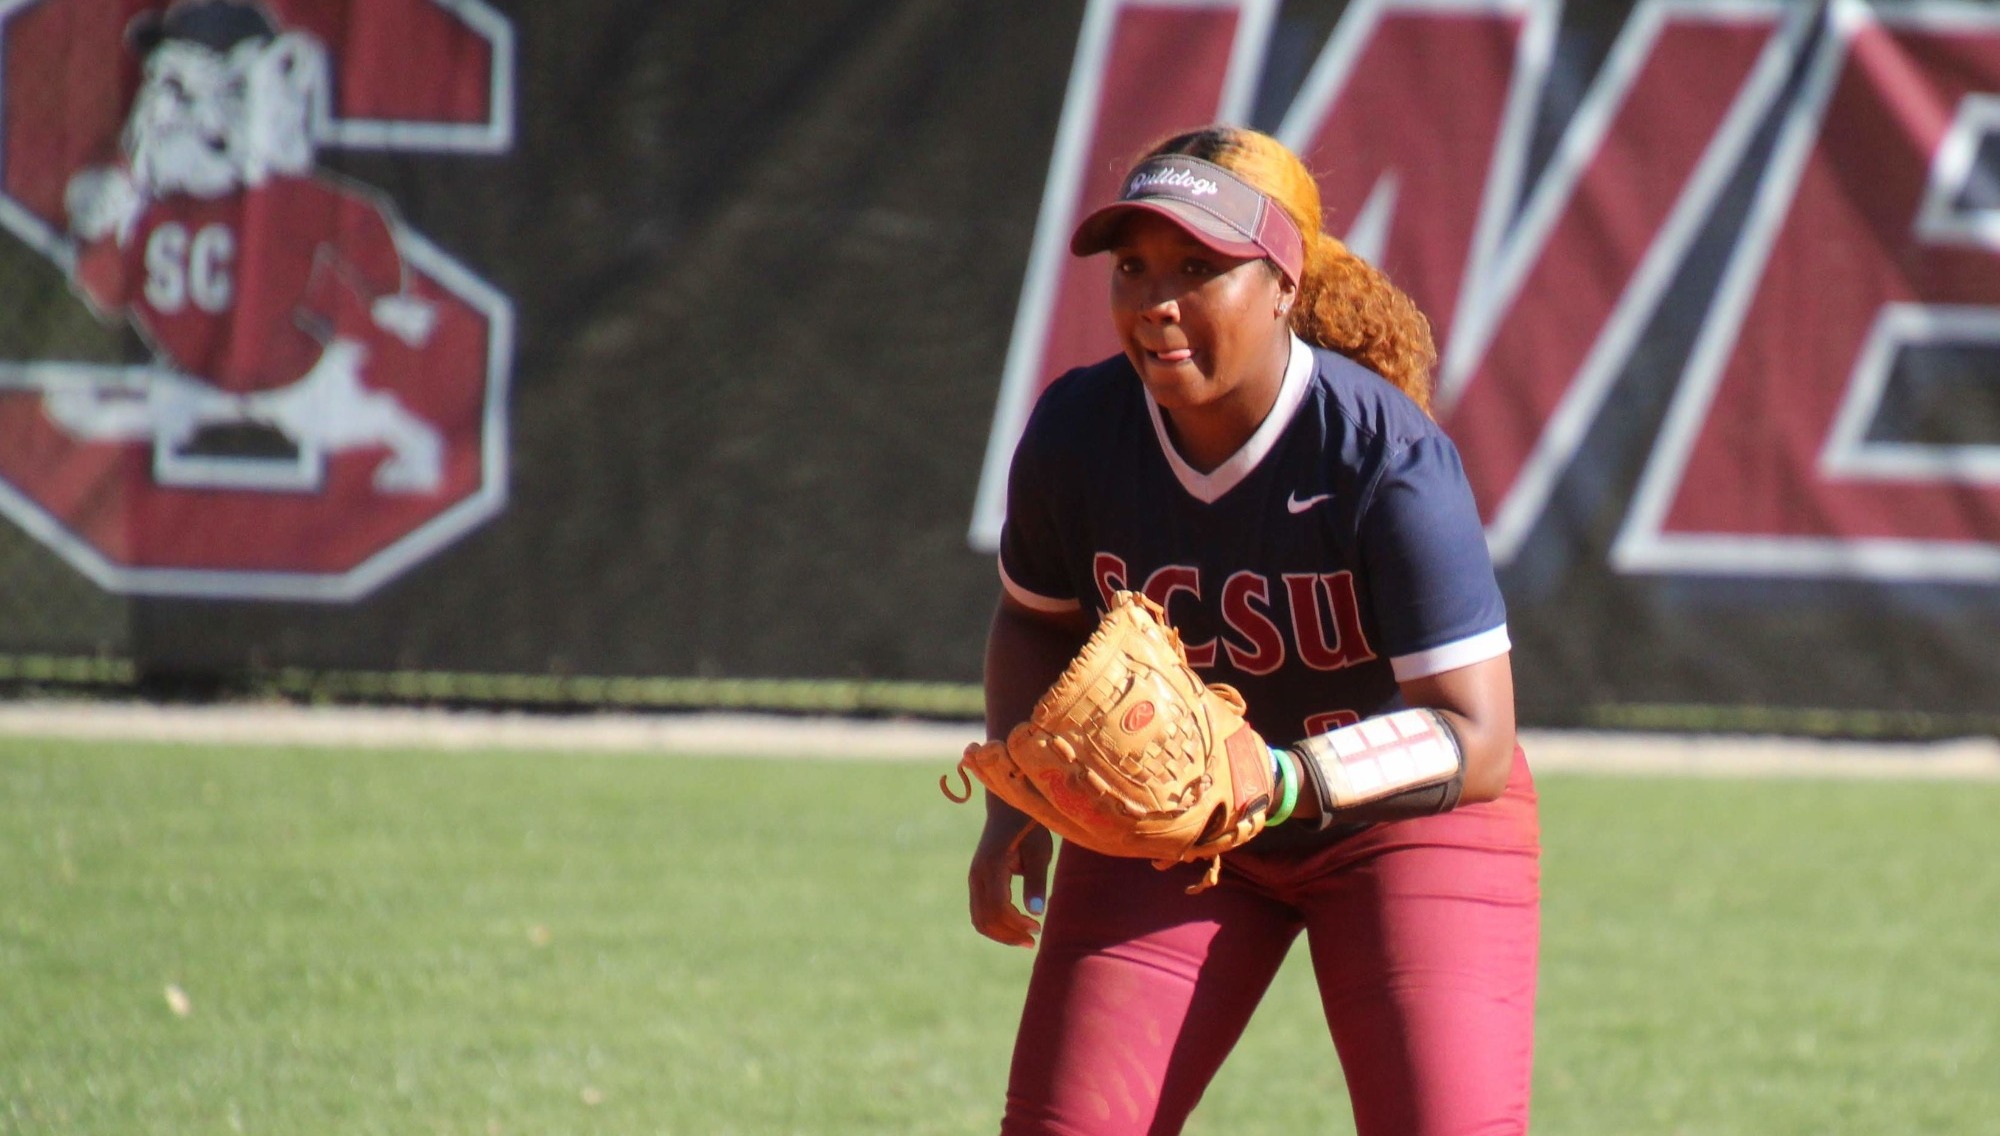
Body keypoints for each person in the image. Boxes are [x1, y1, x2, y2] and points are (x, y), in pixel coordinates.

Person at [966, 125, 1540, 1136]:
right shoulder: (1078, 430)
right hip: (1178, 825)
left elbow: (1477, 737)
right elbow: (1031, 616)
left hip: (1403, 826)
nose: (1154, 304)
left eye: (1198, 268)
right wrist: (1019, 794)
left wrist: (1281, 779)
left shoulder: (1382, 456)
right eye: (1131, 267)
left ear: (1281, 285)